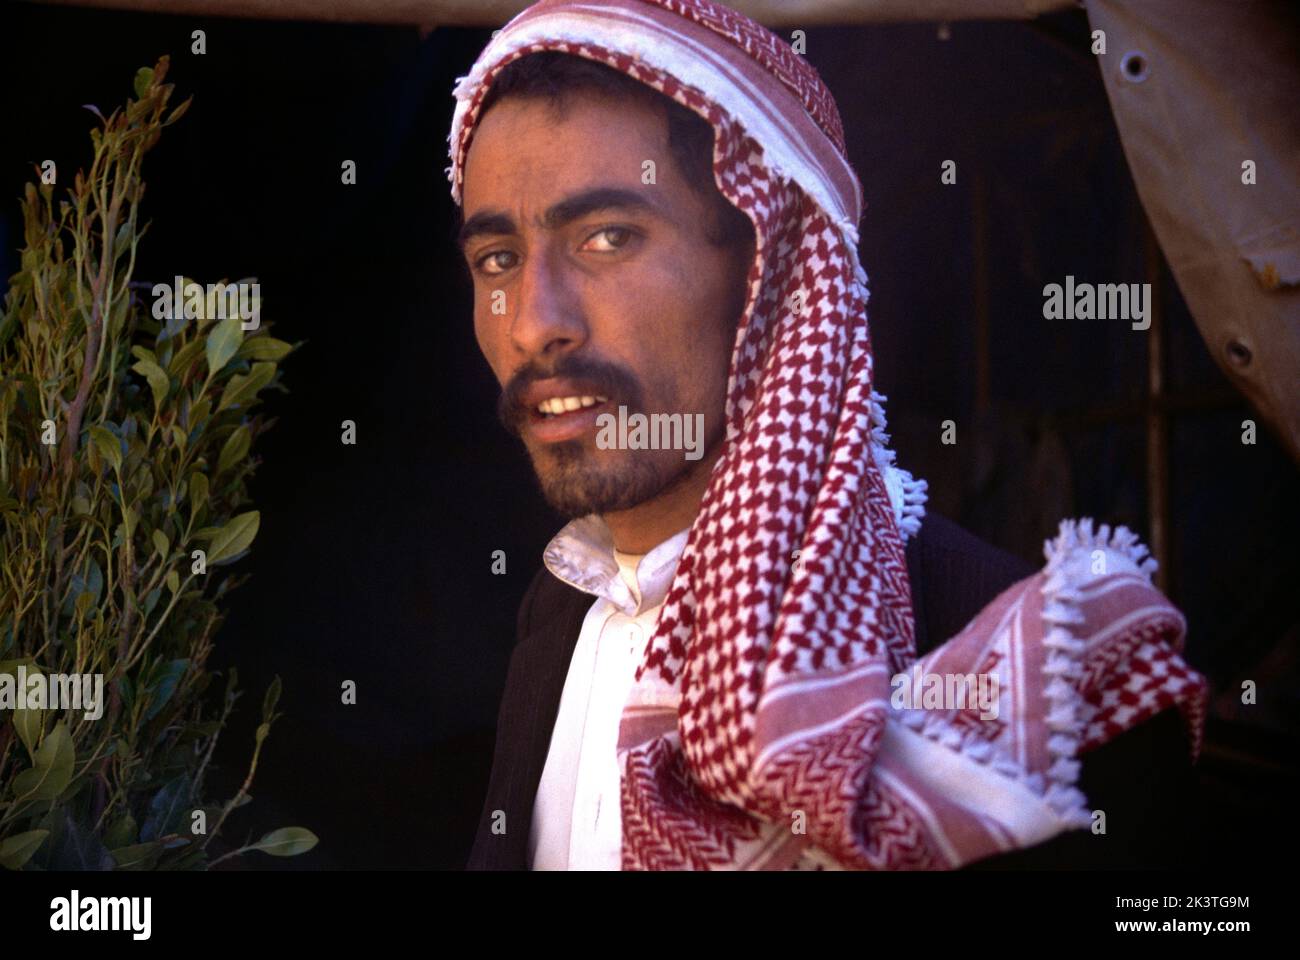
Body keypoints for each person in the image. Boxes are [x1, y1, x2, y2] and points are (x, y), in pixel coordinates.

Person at [451, 0, 1206, 870]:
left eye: (608, 237)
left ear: (772, 279)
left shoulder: (1026, 676)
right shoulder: (559, 618)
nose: (533, 325)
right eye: (498, 259)